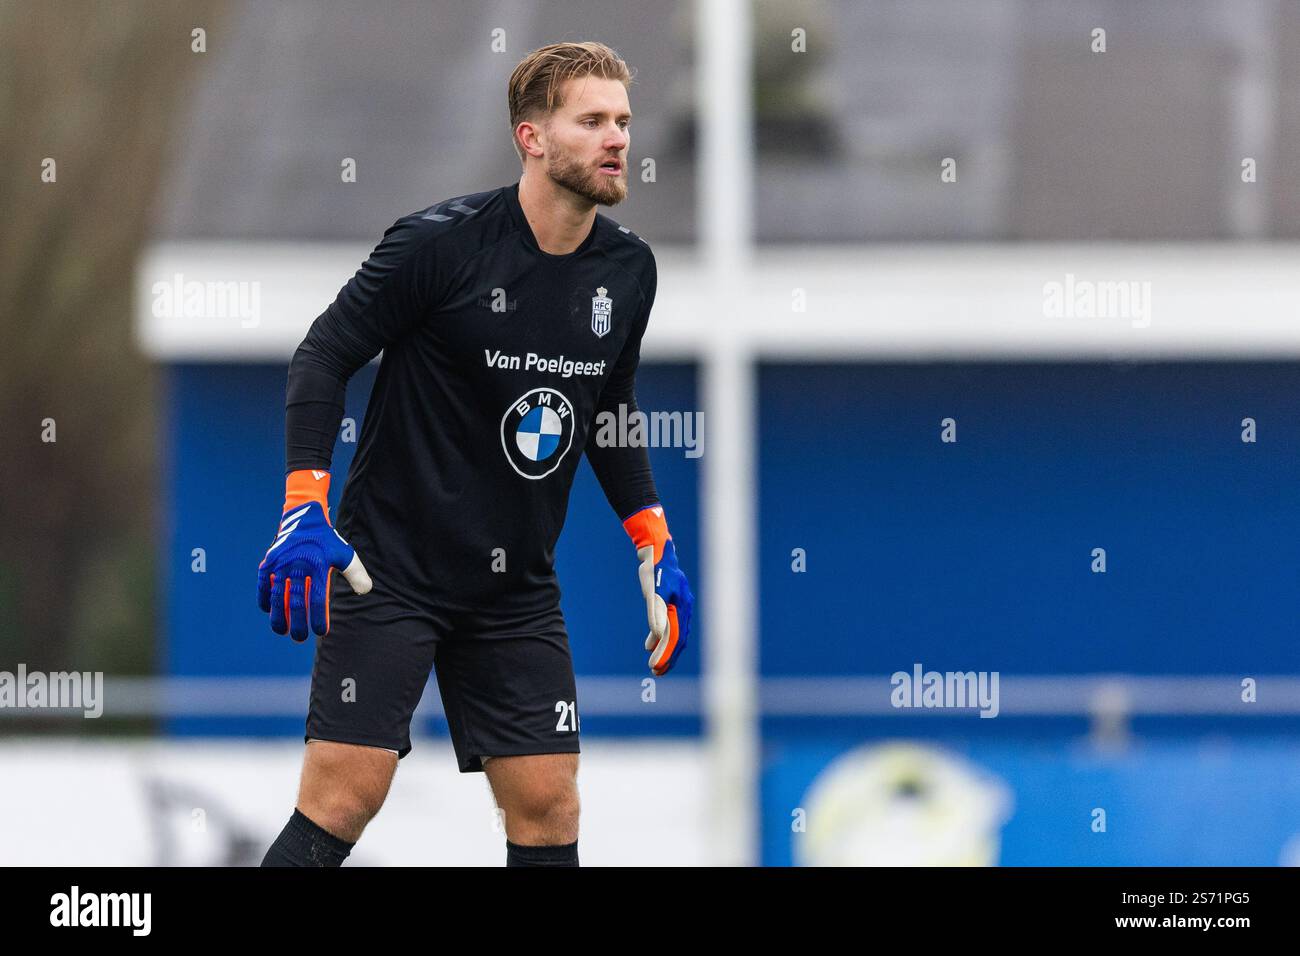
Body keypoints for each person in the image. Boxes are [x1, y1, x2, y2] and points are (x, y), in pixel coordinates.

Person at [255, 41, 694, 867]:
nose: (618, 140)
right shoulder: (438, 246)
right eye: (592, 120)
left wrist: (653, 538)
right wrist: (304, 503)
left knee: (549, 803)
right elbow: (322, 354)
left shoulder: (629, 270)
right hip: (388, 568)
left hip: (514, 587)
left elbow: (609, 411)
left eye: (624, 122)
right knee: (346, 793)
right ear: (532, 138)